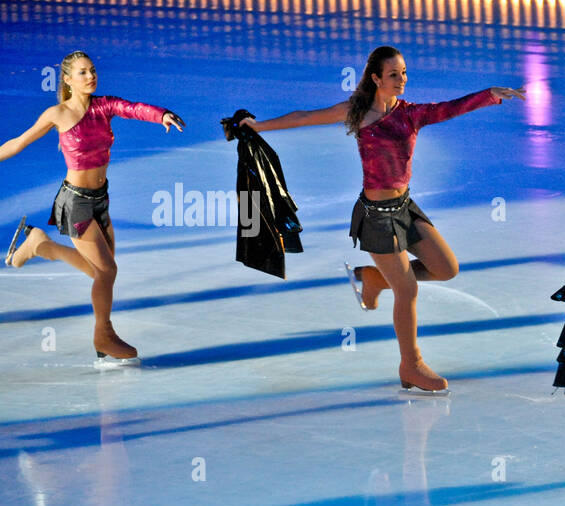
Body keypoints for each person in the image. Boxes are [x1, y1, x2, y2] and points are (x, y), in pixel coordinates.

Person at [240, 45, 524, 392]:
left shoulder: (410, 114)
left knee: (446, 268)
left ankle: (374, 279)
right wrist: (259, 126)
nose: (401, 80)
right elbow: (304, 117)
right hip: (376, 217)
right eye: (393, 74)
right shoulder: (357, 113)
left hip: (405, 209)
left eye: (404, 73)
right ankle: (411, 365)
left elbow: (447, 109)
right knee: (408, 289)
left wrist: (488, 95)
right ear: (376, 78)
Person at [2, 50, 185, 364]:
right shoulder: (56, 114)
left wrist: (161, 115)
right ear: (68, 80)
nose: (91, 77)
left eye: (93, 71)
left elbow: (133, 108)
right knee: (107, 271)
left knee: (101, 272)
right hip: (74, 203)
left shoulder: (104, 106)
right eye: (83, 73)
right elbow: (18, 142)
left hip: (101, 199)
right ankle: (103, 334)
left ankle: (40, 245)